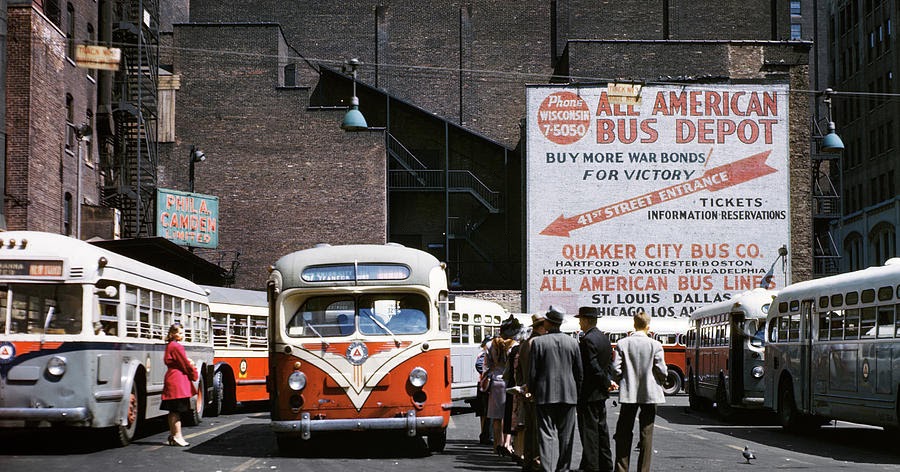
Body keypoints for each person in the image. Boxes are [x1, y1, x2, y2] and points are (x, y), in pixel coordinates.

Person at [611, 310, 667, 472]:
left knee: (623, 432)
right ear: (648, 326)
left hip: (629, 393)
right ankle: (643, 469)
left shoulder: (622, 343)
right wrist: (660, 382)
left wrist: (622, 380)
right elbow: (662, 371)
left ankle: (622, 468)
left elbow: (616, 369)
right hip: (650, 394)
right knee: (646, 434)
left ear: (634, 324)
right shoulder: (655, 345)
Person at [529, 306, 582, 472]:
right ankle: (563, 469)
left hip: (544, 395)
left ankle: (547, 469)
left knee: (546, 435)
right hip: (569, 395)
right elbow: (579, 373)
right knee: (566, 436)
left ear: (548, 322)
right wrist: (577, 393)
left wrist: (531, 390)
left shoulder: (538, 343)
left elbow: (533, 372)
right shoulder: (573, 343)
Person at [575, 306, 616, 472]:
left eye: (580, 320)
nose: (579, 323)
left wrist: (605, 381)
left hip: (589, 392)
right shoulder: (604, 338)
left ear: (586, 320)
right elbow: (608, 364)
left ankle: (591, 466)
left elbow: (592, 366)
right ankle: (606, 464)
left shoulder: (587, 340)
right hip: (600, 393)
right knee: (601, 430)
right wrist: (608, 381)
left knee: (589, 431)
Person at [516, 313, 548, 471]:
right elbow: (533, 370)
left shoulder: (526, 343)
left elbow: (519, 370)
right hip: (534, 391)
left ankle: (529, 460)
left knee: (529, 429)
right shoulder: (536, 343)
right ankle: (535, 461)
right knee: (537, 429)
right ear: (540, 327)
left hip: (526, 390)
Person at [161, 322, 198, 447]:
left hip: (171, 379)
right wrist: (194, 373)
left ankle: (173, 435)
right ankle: (178, 436)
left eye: (182, 332)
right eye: (179, 333)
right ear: (172, 334)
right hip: (178, 382)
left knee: (172, 411)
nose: (181, 335)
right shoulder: (177, 347)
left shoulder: (170, 346)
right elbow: (185, 365)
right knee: (177, 411)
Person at [485, 331, 516, 456]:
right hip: (507, 381)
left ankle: (496, 444)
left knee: (496, 417)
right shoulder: (512, 345)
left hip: (495, 381)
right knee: (506, 416)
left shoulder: (489, 345)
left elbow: (486, 365)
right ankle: (506, 443)